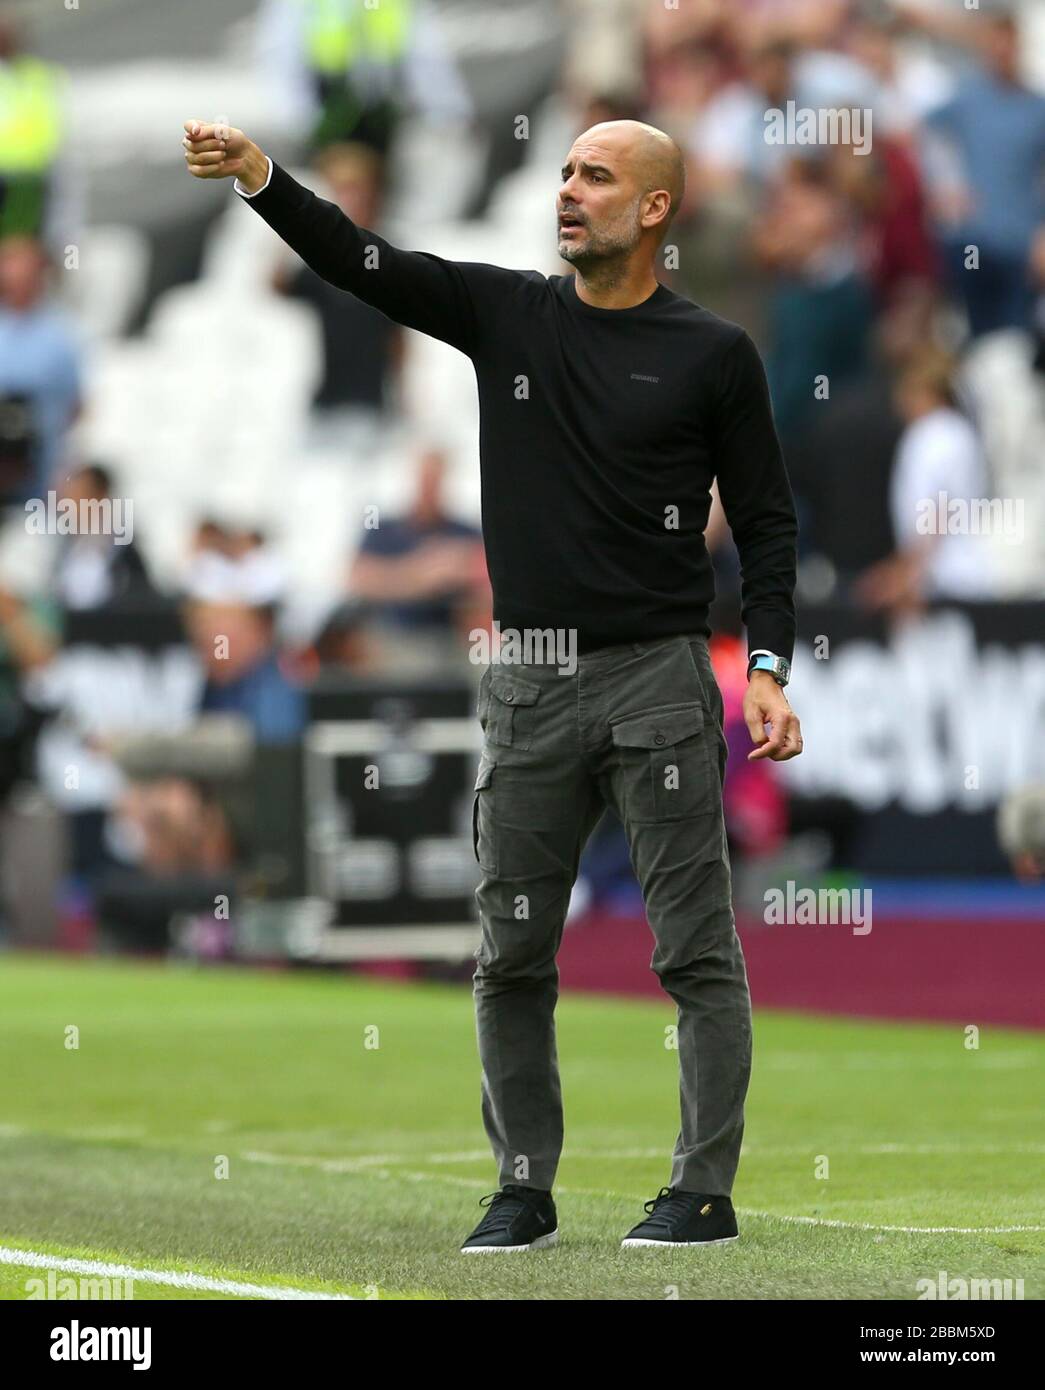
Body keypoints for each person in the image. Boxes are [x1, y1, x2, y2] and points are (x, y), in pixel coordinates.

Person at [183, 113, 802, 1252]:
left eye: (598, 176)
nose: (569, 189)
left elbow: (766, 527)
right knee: (510, 951)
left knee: (695, 951)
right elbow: (359, 260)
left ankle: (701, 1190)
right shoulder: (508, 311)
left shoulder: (713, 352)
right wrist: (264, 179)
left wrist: (764, 668)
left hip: (662, 676)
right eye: (564, 170)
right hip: (528, 680)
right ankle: (522, 1184)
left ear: (655, 209)